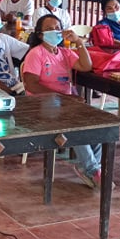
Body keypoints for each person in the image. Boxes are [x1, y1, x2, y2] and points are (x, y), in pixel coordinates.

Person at [22, 14, 102, 188]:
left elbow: (86, 65)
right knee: (74, 123)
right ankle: (92, 170)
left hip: (65, 104)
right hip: (41, 105)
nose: (55, 32)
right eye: (50, 29)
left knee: (97, 121)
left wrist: (79, 43)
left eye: (58, 28)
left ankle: (91, 168)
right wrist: (64, 99)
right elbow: (31, 84)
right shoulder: (36, 54)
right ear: (41, 34)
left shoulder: (64, 53)